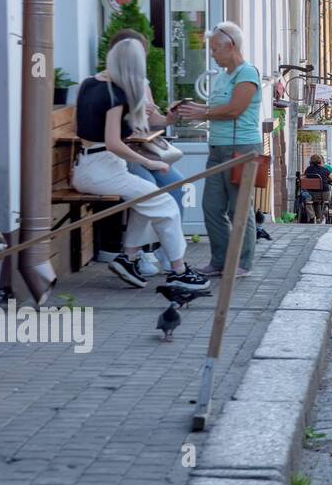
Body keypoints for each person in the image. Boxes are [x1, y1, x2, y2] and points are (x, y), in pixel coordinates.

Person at [71, 38, 207, 291]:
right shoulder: (116, 94)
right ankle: (179, 271)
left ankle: (128, 257)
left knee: (146, 198)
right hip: (104, 168)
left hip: (86, 164)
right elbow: (113, 143)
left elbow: (77, 128)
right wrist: (149, 162)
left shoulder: (89, 84)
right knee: (165, 203)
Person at [173, 21, 262, 278]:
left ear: (230, 46)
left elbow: (235, 109)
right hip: (218, 148)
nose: (211, 54)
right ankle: (220, 260)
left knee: (239, 208)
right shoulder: (222, 76)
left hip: (241, 149)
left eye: (214, 49)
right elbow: (219, 108)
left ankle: (242, 263)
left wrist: (203, 112)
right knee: (212, 207)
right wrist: (194, 110)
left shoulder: (247, 73)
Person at [304, 155, 332, 223]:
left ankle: (312, 216)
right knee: (319, 202)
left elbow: (303, 178)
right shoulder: (324, 170)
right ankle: (320, 217)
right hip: (324, 195)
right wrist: (326, 181)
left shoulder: (308, 169)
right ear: (320, 161)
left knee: (309, 199)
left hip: (312, 194)